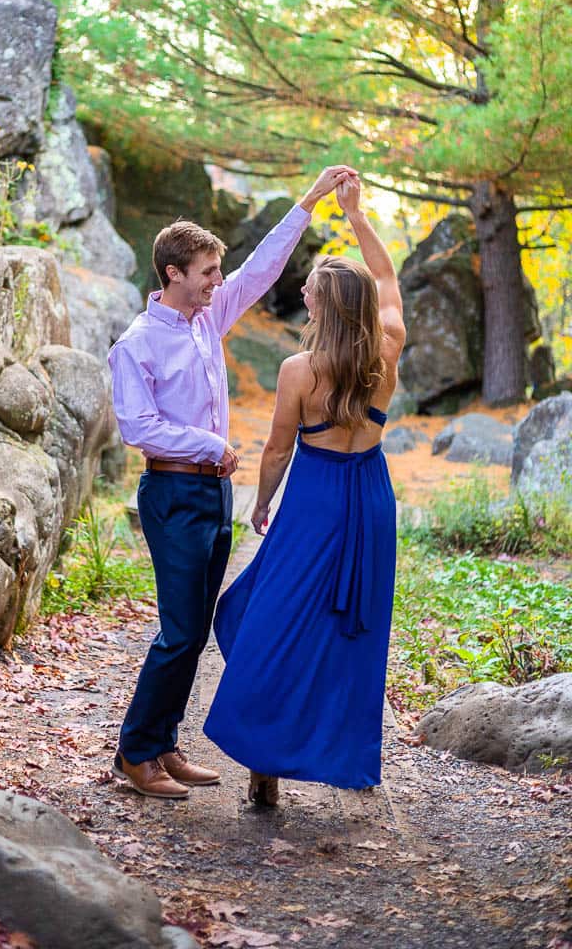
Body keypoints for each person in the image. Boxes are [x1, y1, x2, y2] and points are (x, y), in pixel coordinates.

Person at [108, 165, 357, 800]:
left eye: (218, 272)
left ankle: (164, 744)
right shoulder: (137, 344)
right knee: (179, 631)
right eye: (208, 272)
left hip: (213, 493)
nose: (219, 281)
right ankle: (135, 753)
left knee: (194, 630)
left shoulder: (205, 319)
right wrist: (210, 444)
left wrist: (308, 202)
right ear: (173, 274)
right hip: (172, 493)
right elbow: (138, 426)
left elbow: (260, 271)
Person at [203, 175, 406, 805]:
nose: (302, 295)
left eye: (311, 291)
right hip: (370, 499)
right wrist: (357, 216)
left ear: (326, 308)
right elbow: (387, 278)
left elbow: (277, 450)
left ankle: (264, 758)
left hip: (315, 501)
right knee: (353, 630)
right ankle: (344, 756)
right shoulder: (387, 352)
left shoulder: (299, 370)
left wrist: (262, 502)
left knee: (274, 618)